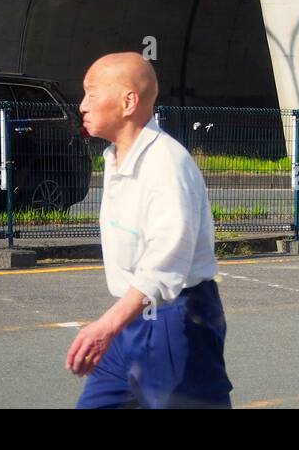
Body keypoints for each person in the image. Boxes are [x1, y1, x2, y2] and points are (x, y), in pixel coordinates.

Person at [65, 52, 232, 408]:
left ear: (128, 102)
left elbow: (165, 260)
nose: (82, 105)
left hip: (179, 320)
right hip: (133, 318)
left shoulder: (166, 164)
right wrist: (116, 326)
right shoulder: (116, 157)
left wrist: (107, 326)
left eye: (91, 94)